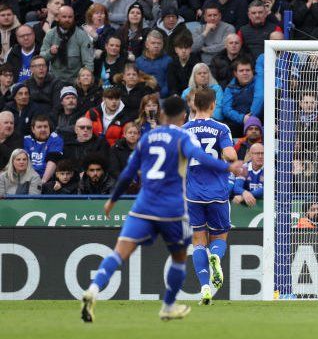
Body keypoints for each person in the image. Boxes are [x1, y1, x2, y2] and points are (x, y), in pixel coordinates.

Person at [80, 96, 246, 323]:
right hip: (171, 208)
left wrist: (112, 200)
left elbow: (128, 172)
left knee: (119, 253)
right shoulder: (182, 137)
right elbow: (201, 157)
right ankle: (168, 305)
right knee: (179, 257)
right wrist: (228, 167)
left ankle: (93, 289)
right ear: (182, 115)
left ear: (162, 114)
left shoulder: (147, 138)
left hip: (143, 204)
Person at [182, 88, 238, 306]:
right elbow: (231, 155)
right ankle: (216, 256)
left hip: (193, 193)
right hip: (217, 193)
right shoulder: (221, 128)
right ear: (213, 105)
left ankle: (205, 287)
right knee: (220, 237)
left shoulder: (185, 130)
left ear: (194, 105)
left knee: (198, 241)